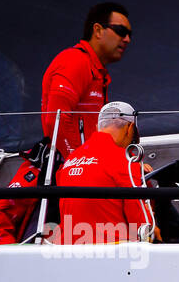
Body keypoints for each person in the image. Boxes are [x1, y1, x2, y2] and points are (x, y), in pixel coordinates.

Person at [0, 1, 132, 245]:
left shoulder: (97, 72)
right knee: (40, 243)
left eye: (130, 34)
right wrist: (78, 164)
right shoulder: (75, 61)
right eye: (121, 31)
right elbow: (56, 119)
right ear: (98, 30)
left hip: (77, 170)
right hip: (66, 170)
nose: (127, 40)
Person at [54, 101, 156, 244]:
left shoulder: (69, 161)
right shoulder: (125, 160)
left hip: (68, 251)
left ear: (97, 127)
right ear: (130, 128)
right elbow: (141, 225)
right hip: (111, 255)